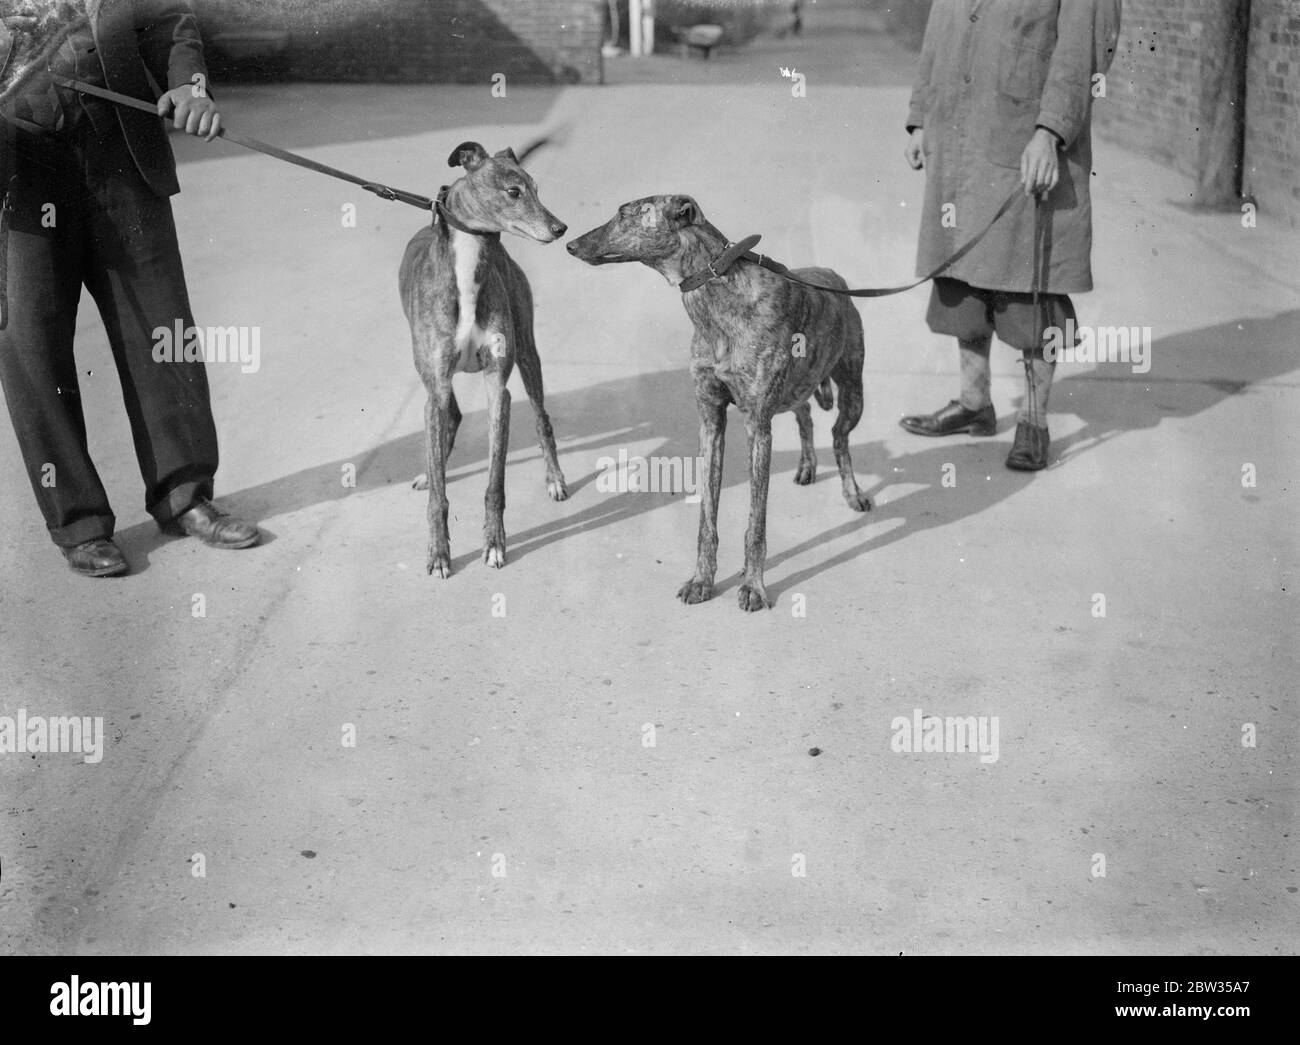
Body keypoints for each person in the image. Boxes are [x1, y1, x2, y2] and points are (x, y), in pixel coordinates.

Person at [0, 0, 260, 577]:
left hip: (122, 154)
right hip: (16, 171)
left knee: (162, 331)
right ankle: (79, 524)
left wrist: (190, 87)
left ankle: (185, 496)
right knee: (31, 350)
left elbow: (170, 22)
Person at [899, 0, 1122, 471]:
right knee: (959, 281)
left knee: (1031, 294)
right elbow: (939, 32)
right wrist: (920, 118)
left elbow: (1083, 51)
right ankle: (973, 403)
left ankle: (1034, 422)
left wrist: (1050, 131)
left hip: (1026, 147)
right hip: (958, 143)